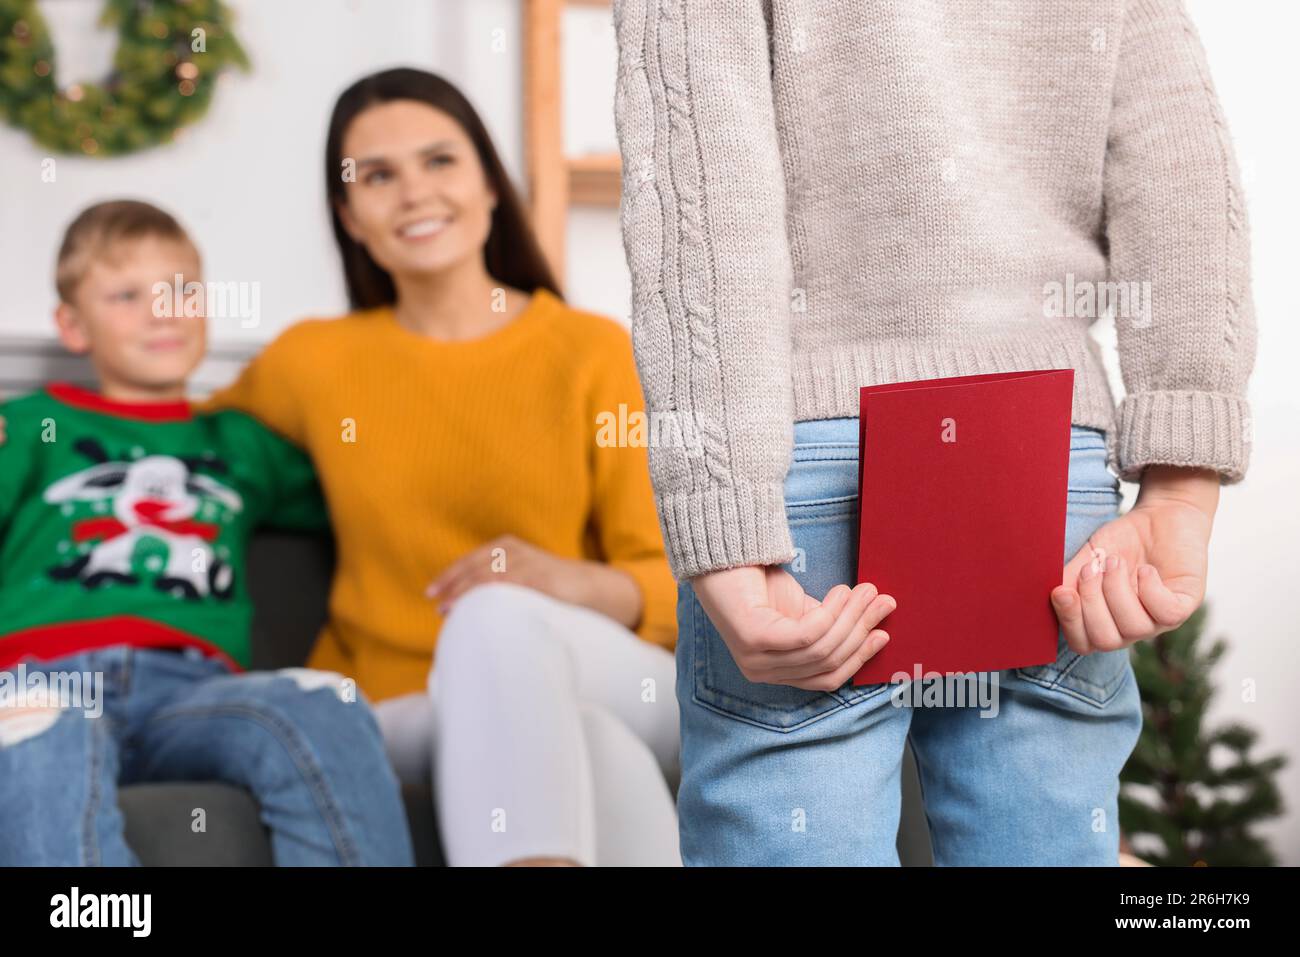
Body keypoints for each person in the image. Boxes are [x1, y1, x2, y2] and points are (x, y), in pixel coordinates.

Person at [613, 0, 1255, 865]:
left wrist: (724, 518)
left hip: (809, 476)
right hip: (1041, 469)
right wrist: (1182, 482)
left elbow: (703, 174)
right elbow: (1179, 161)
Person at [201, 69, 682, 866]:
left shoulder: (590, 354)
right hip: (402, 708)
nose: (413, 193)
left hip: (618, 674)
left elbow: (681, 584)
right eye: (377, 176)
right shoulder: (312, 362)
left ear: (491, 184)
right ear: (348, 216)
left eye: (440, 161)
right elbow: (170, 445)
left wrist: (565, 580)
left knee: (495, 619)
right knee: (577, 737)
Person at [0, 200, 413, 865]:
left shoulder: (239, 442)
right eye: (128, 295)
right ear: (71, 326)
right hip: (47, 673)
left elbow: (374, 496)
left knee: (322, 704)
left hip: (191, 690)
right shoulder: (30, 425)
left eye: (180, 291)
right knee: (32, 728)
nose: (162, 311)